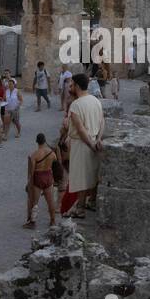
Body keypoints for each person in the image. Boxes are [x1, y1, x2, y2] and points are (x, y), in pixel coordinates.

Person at [61, 73, 105, 217]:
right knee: (92, 174)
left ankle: (80, 208)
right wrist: (97, 139)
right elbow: (102, 122)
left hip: (82, 143)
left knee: (80, 177)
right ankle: (91, 201)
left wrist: (91, 145)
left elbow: (80, 129)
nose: (70, 86)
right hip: (92, 139)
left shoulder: (76, 105)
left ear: (78, 86)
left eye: (72, 84)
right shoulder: (95, 100)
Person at [24, 132, 60, 228]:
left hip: (38, 177)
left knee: (34, 202)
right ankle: (53, 221)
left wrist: (29, 184)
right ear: (45, 141)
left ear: (37, 142)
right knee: (50, 201)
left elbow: (31, 172)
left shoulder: (34, 155)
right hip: (48, 176)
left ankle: (32, 222)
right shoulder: (52, 153)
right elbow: (56, 167)